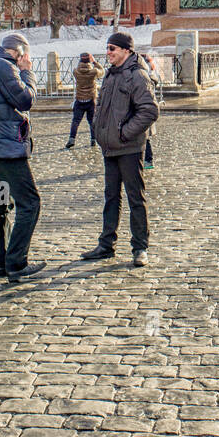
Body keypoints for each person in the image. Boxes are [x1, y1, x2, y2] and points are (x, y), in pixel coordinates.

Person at [81, 32, 159, 266]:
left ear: (126, 50)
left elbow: (149, 111)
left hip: (129, 147)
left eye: (113, 48)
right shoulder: (111, 75)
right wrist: (99, 129)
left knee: (136, 198)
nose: (108, 53)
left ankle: (140, 247)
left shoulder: (137, 75)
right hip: (110, 147)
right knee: (110, 197)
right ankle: (106, 244)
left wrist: (124, 133)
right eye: (107, 48)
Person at [0, 32, 44, 284]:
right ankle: (16, 261)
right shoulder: (5, 67)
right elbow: (25, 99)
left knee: (1, 203)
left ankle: (2, 263)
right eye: (24, 56)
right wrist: (27, 72)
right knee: (30, 203)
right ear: (19, 52)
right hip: (8, 152)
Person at [65, 52, 101, 150]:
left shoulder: (76, 71)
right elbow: (102, 71)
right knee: (91, 121)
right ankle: (93, 140)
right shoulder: (93, 72)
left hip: (79, 100)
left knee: (76, 121)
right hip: (90, 100)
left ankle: (72, 139)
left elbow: (79, 68)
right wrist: (94, 62)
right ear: (89, 60)